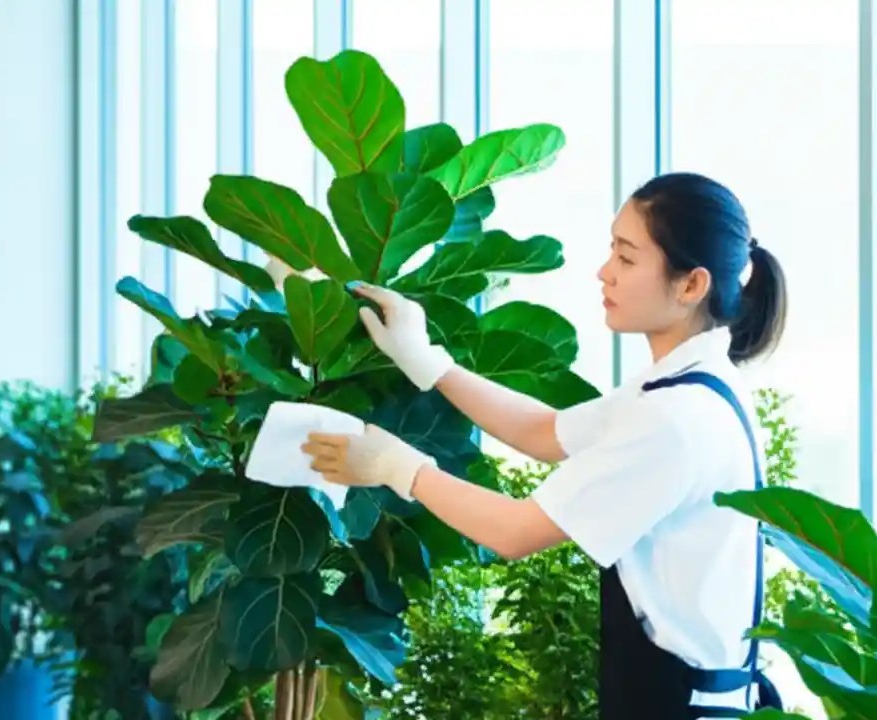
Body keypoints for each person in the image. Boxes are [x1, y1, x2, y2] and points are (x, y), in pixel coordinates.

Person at [301, 171, 788, 719]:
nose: (605, 272)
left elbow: (514, 532)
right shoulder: (691, 386)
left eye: (627, 259)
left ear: (691, 285)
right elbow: (546, 432)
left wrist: (396, 466)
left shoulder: (677, 419)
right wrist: (427, 361)